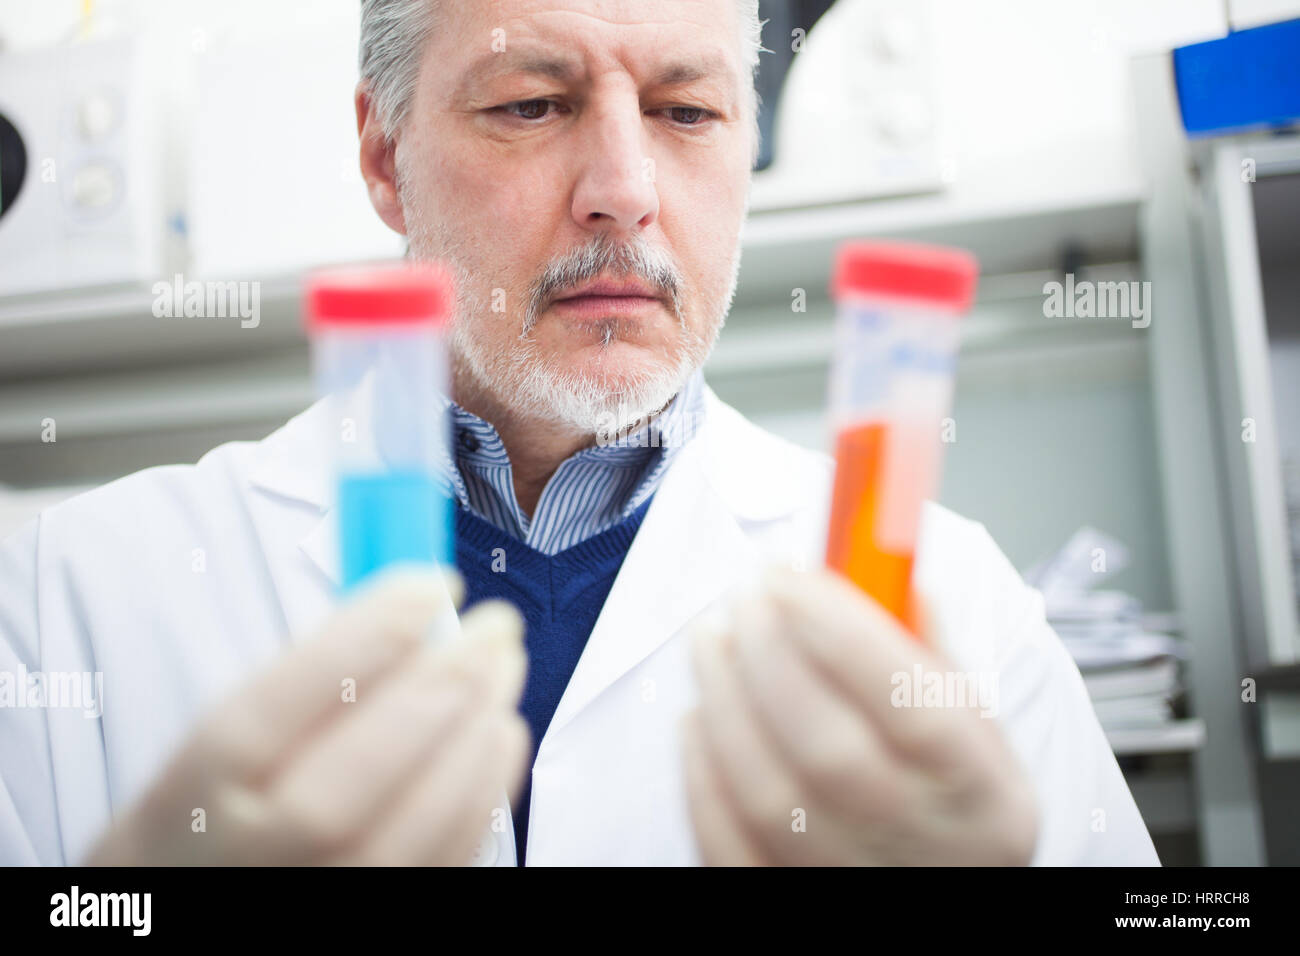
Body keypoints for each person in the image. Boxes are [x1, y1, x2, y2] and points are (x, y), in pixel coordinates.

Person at [0, 0, 1158, 866]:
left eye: (687, 111)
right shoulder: (69, 597)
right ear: (383, 157)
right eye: (531, 104)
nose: (623, 186)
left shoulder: (965, 612)